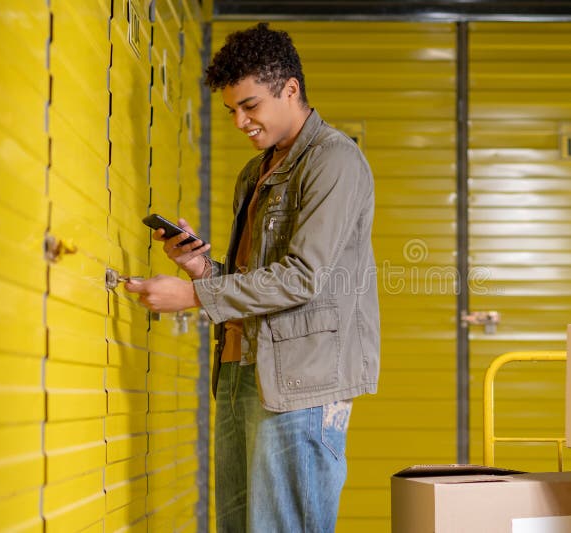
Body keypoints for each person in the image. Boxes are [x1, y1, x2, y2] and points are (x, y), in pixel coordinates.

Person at [125, 22, 380, 533]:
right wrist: (200, 268)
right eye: (232, 111)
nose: (241, 122)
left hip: (302, 383)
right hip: (242, 369)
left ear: (290, 89)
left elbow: (303, 276)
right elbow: (257, 279)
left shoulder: (333, 160)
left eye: (250, 106)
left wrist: (194, 295)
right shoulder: (254, 172)